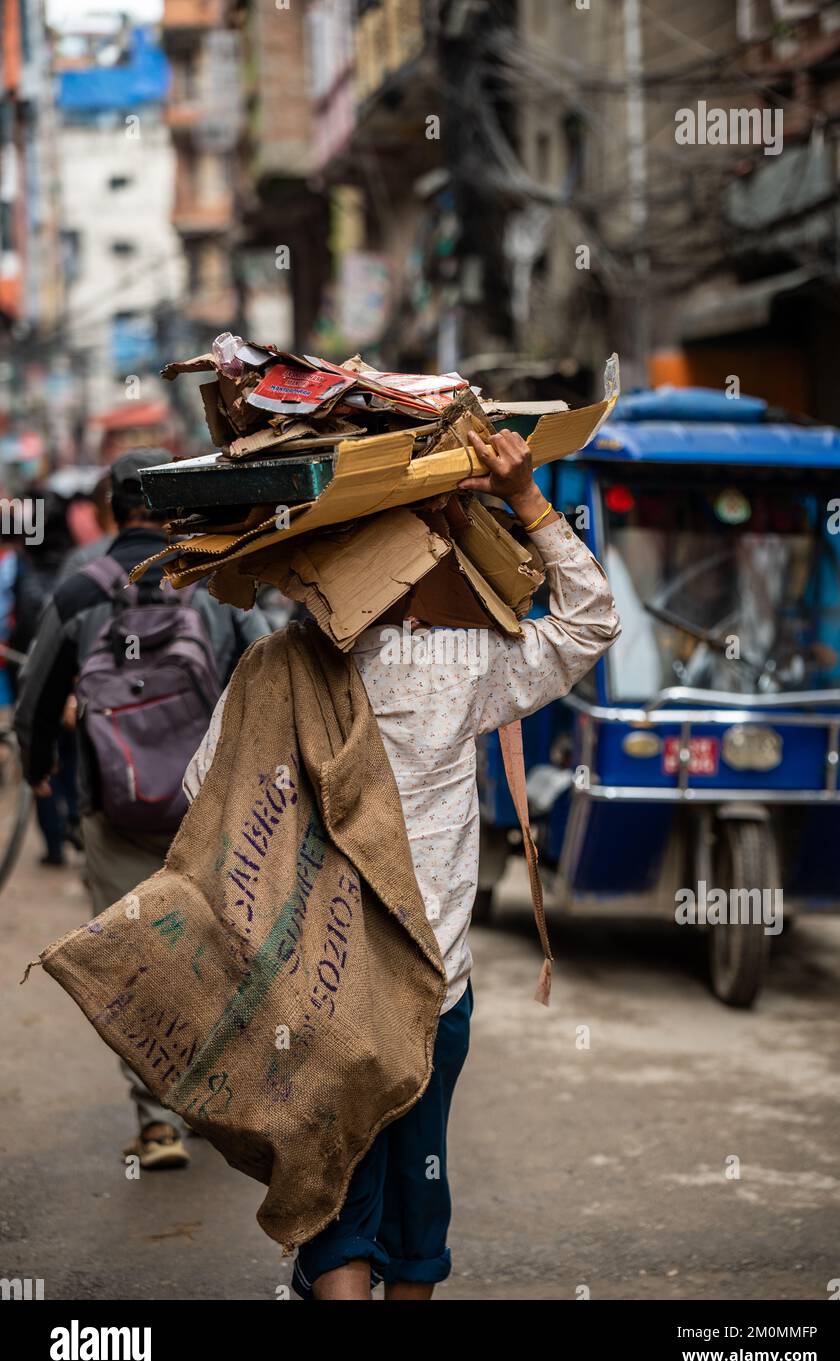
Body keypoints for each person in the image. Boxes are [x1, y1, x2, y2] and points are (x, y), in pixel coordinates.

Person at [183, 428, 621, 1298]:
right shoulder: (461, 667)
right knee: (420, 1186)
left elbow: (209, 796)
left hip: (315, 990)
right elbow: (590, 621)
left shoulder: (272, 668)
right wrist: (528, 500)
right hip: (433, 987)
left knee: (336, 1191)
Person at [15, 448, 269, 1169]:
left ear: (108, 505)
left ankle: (157, 1121)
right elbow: (269, 667)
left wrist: (39, 769)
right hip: (211, 808)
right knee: (219, 951)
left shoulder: (79, 590)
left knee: (133, 965)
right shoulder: (216, 583)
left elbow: (36, 697)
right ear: (175, 503)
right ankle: (232, 1103)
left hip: (115, 807)